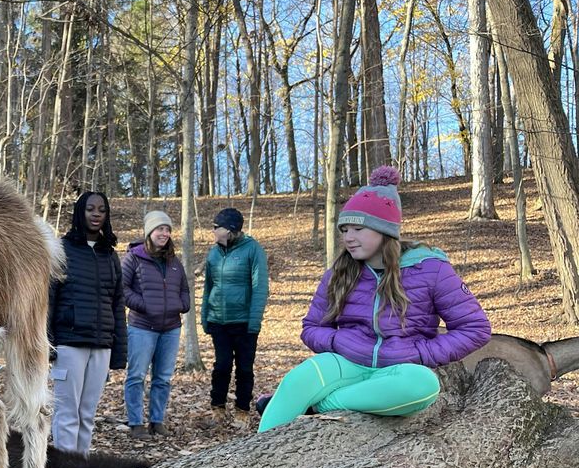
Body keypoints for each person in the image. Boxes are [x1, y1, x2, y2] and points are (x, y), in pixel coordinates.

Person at [258, 167, 491, 432]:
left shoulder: (431, 269)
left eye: (358, 228)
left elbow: (475, 329)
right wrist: (337, 340)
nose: (348, 238)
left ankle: (320, 406)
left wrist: (420, 352)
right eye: (344, 229)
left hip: (398, 371)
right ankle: (253, 459)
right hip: (346, 362)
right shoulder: (340, 272)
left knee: (423, 386)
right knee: (298, 379)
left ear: (384, 231)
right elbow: (311, 327)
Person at [49, 191, 127, 454]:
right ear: (80, 213)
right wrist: (47, 343)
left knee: (87, 414)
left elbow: (117, 304)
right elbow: (49, 298)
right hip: (69, 344)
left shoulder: (110, 255)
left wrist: (118, 351)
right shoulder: (62, 250)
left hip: (101, 345)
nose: (96, 214)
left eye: (101, 210)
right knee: (67, 413)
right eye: (90, 209)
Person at [122, 210, 190, 438]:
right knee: (136, 376)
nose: (164, 233)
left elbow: (184, 289)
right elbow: (122, 290)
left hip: (170, 328)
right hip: (142, 326)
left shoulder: (173, 261)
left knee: (162, 378)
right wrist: (143, 304)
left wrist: (183, 304)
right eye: (160, 229)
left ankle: (157, 421)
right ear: (150, 231)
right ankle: (136, 423)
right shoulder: (134, 257)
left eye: (168, 229)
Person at [201, 206, 268, 426]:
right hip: (218, 320)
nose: (213, 231)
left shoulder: (252, 249)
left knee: (245, 368)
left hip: (244, 322)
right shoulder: (213, 253)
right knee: (221, 365)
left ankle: (242, 411)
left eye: (216, 227)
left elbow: (260, 287)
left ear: (230, 229)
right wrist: (205, 315)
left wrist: (254, 321)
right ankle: (217, 409)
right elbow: (208, 287)